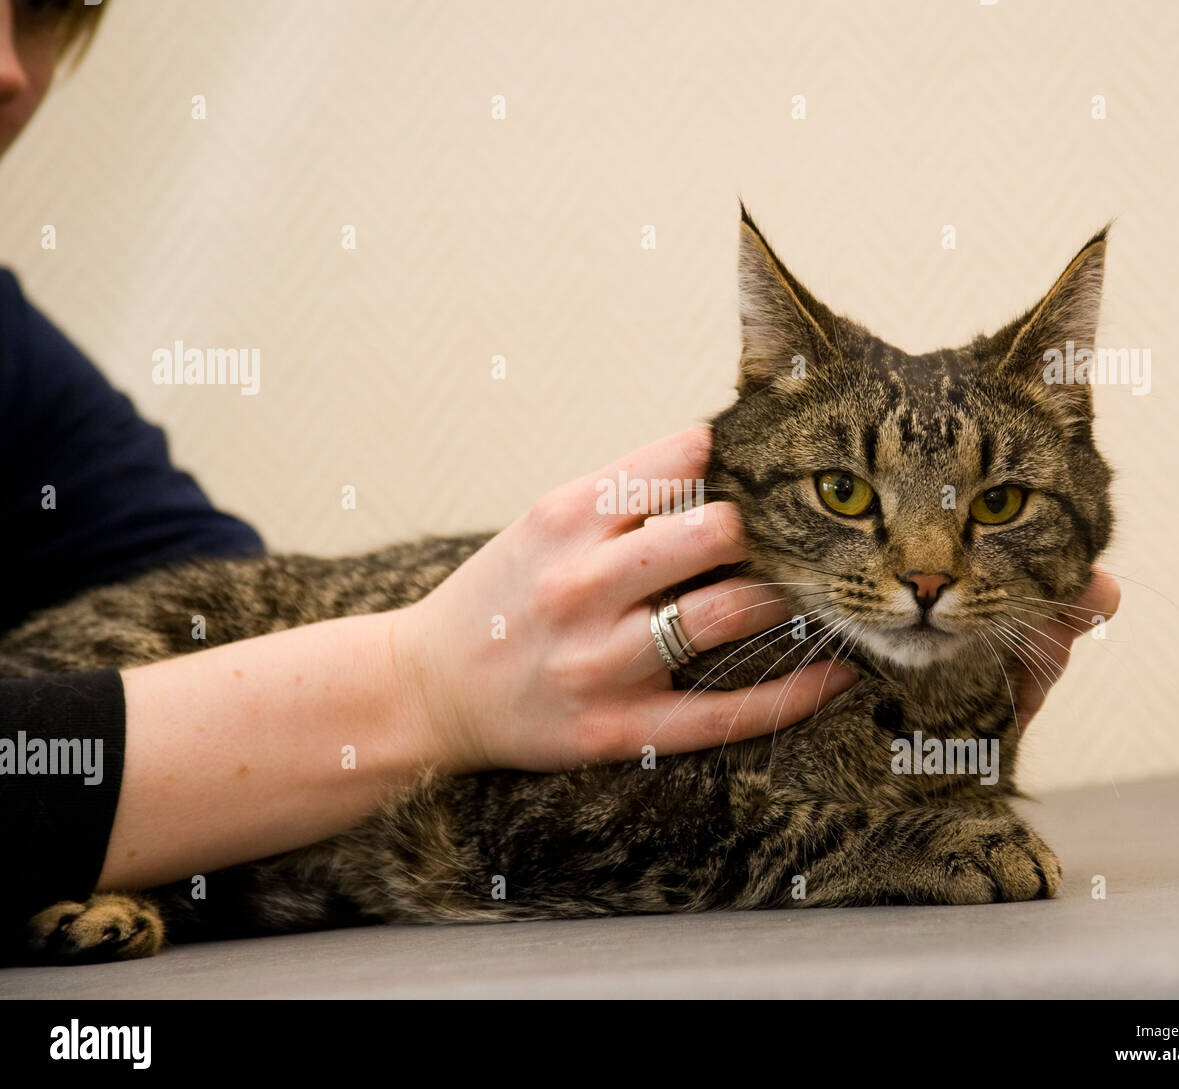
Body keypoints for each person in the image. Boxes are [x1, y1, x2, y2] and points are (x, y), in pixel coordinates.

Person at [0, 1, 1120, 929]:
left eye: (998, 504)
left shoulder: (22, 363)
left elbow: (191, 598)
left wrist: (940, 738)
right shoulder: (701, 655)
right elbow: (527, 843)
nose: (926, 567)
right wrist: (424, 688)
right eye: (845, 493)